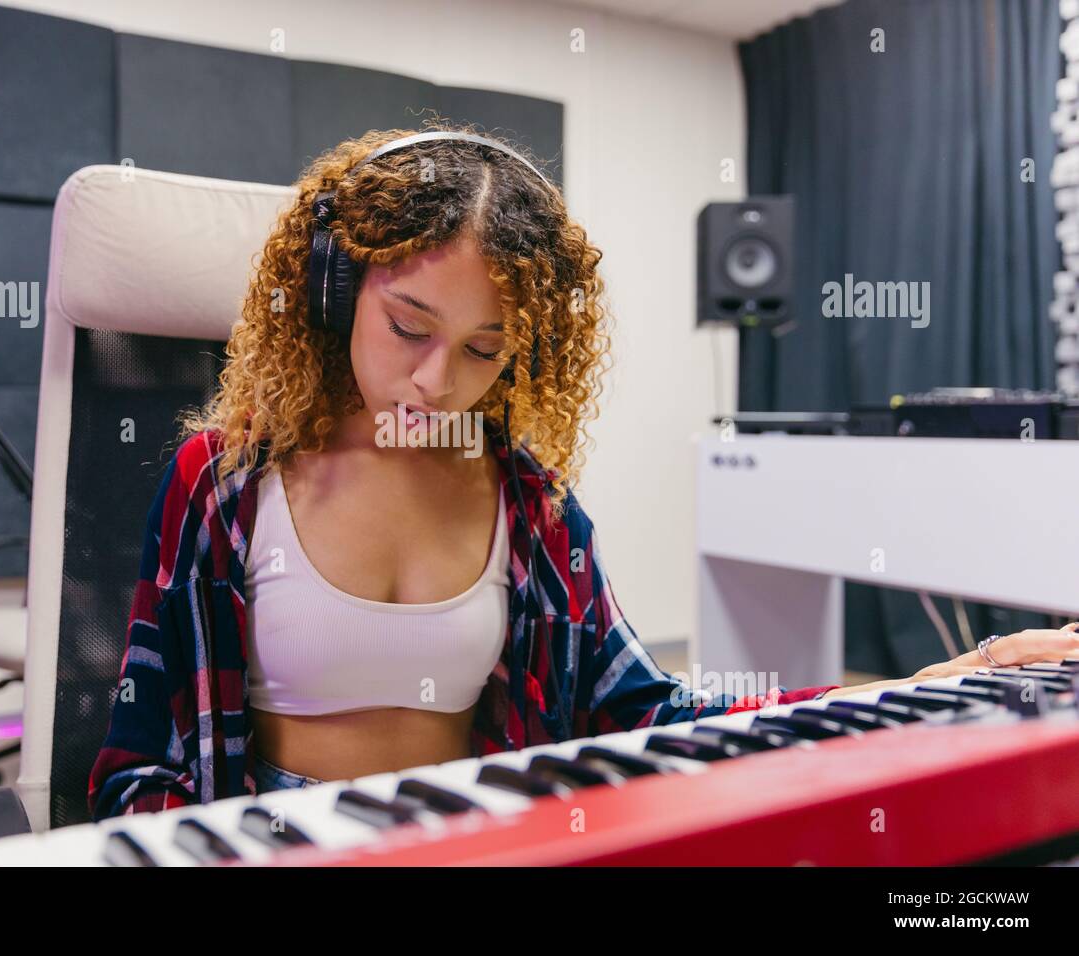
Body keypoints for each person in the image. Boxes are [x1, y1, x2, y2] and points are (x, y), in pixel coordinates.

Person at [87, 124, 1079, 819]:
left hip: (476, 835)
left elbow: (650, 714)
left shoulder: (528, 504)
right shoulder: (221, 482)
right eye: (408, 326)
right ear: (333, 289)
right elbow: (139, 763)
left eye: (482, 349)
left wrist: (918, 683)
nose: (437, 381)